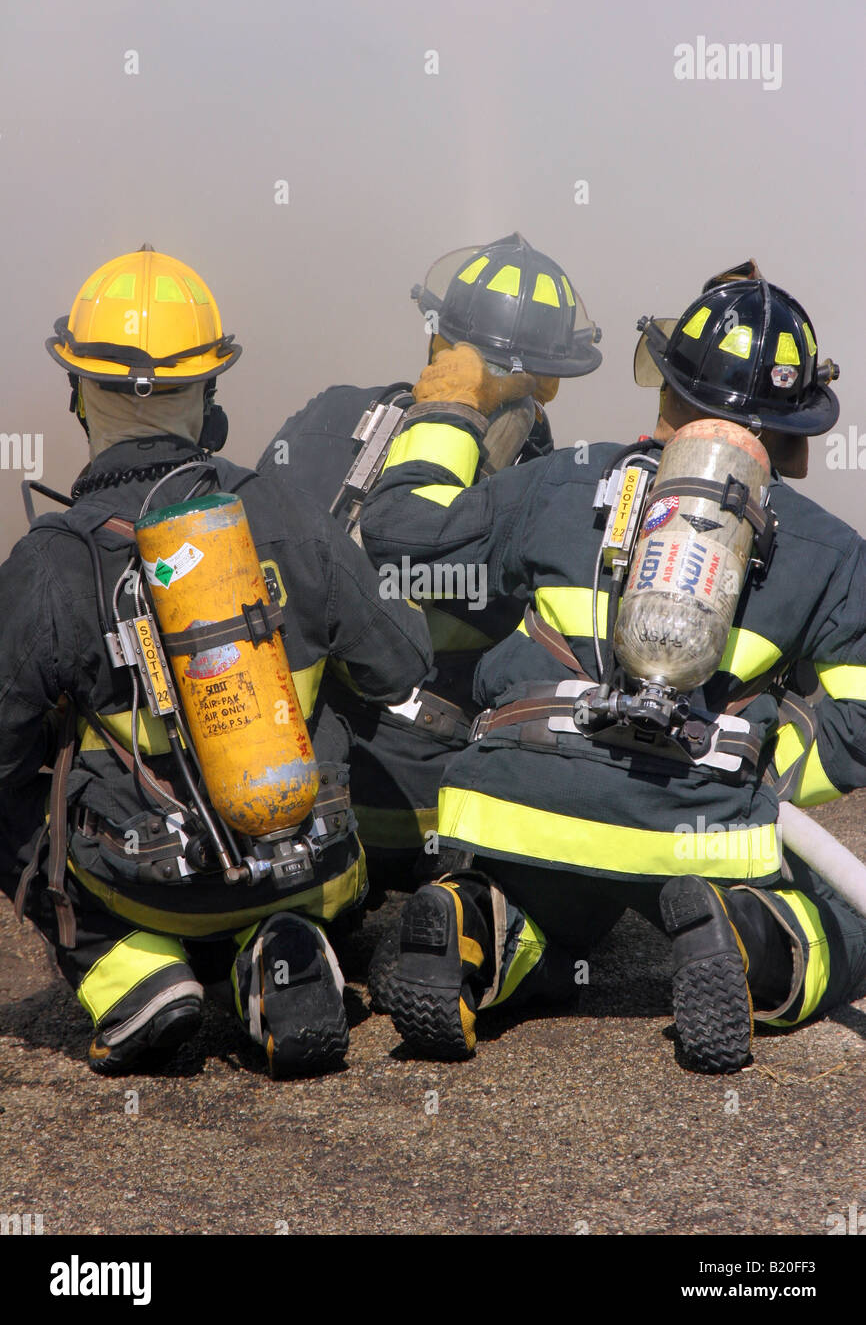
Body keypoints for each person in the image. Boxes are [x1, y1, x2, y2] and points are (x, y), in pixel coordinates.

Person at [360, 274, 866, 1073]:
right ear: (793, 430)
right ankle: (743, 940)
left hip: (517, 814)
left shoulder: (561, 480)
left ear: (668, 388)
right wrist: (761, 764)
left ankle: (475, 923)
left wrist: (448, 409)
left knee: (548, 916)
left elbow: (401, 538)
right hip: (692, 833)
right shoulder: (829, 548)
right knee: (847, 916)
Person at [0, 244, 431, 1078]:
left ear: (76, 394)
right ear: (211, 398)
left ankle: (128, 969)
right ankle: (284, 947)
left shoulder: (49, 562)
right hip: (308, 863)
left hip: (142, 882)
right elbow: (397, 670)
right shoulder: (292, 516)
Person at [256, 233, 602, 910]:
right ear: (551, 382)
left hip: (291, 799)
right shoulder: (536, 491)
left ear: (435, 340)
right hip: (433, 821)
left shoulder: (328, 416)